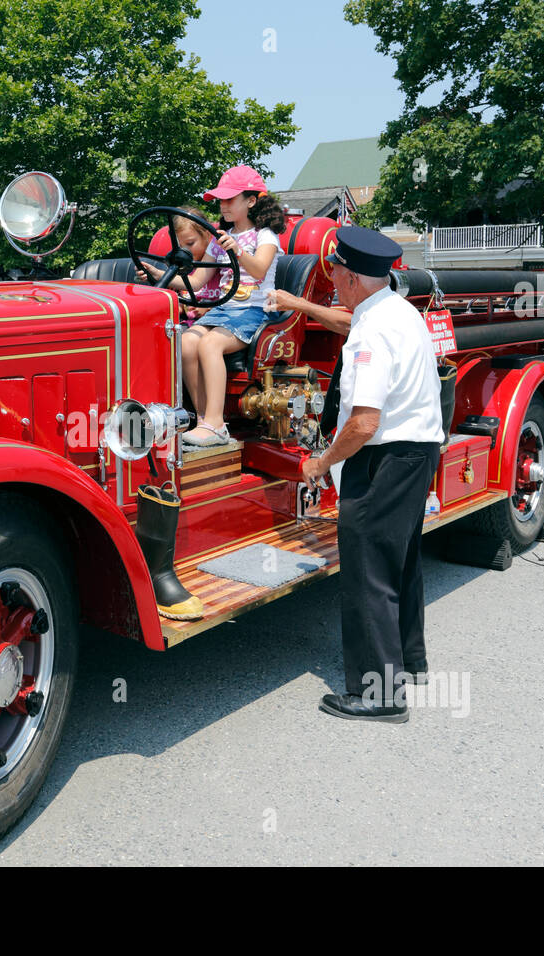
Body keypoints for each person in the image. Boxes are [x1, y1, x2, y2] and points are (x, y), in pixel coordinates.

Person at [299, 226, 444, 723]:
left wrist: (321, 462)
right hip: (416, 452)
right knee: (400, 563)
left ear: (354, 277)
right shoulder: (400, 312)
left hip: (384, 458)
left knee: (368, 573)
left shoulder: (372, 329)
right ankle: (409, 662)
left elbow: (364, 421)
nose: (331, 279)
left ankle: (379, 694)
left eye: (335, 271)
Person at [180, 165, 285, 446]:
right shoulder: (219, 239)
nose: (222, 205)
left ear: (251, 201)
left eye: (229, 199)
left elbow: (260, 270)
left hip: (254, 311)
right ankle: (202, 419)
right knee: (187, 341)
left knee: (210, 344)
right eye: (221, 200)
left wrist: (237, 250)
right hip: (224, 310)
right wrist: (159, 276)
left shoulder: (265, 236)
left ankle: (217, 424)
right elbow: (199, 280)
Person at [139, 208, 225, 326]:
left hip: (216, 322)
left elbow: (231, 298)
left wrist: (208, 309)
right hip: (189, 323)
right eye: (179, 246)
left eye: (190, 244)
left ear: (207, 234)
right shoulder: (183, 267)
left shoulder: (220, 265)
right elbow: (181, 302)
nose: (185, 251)